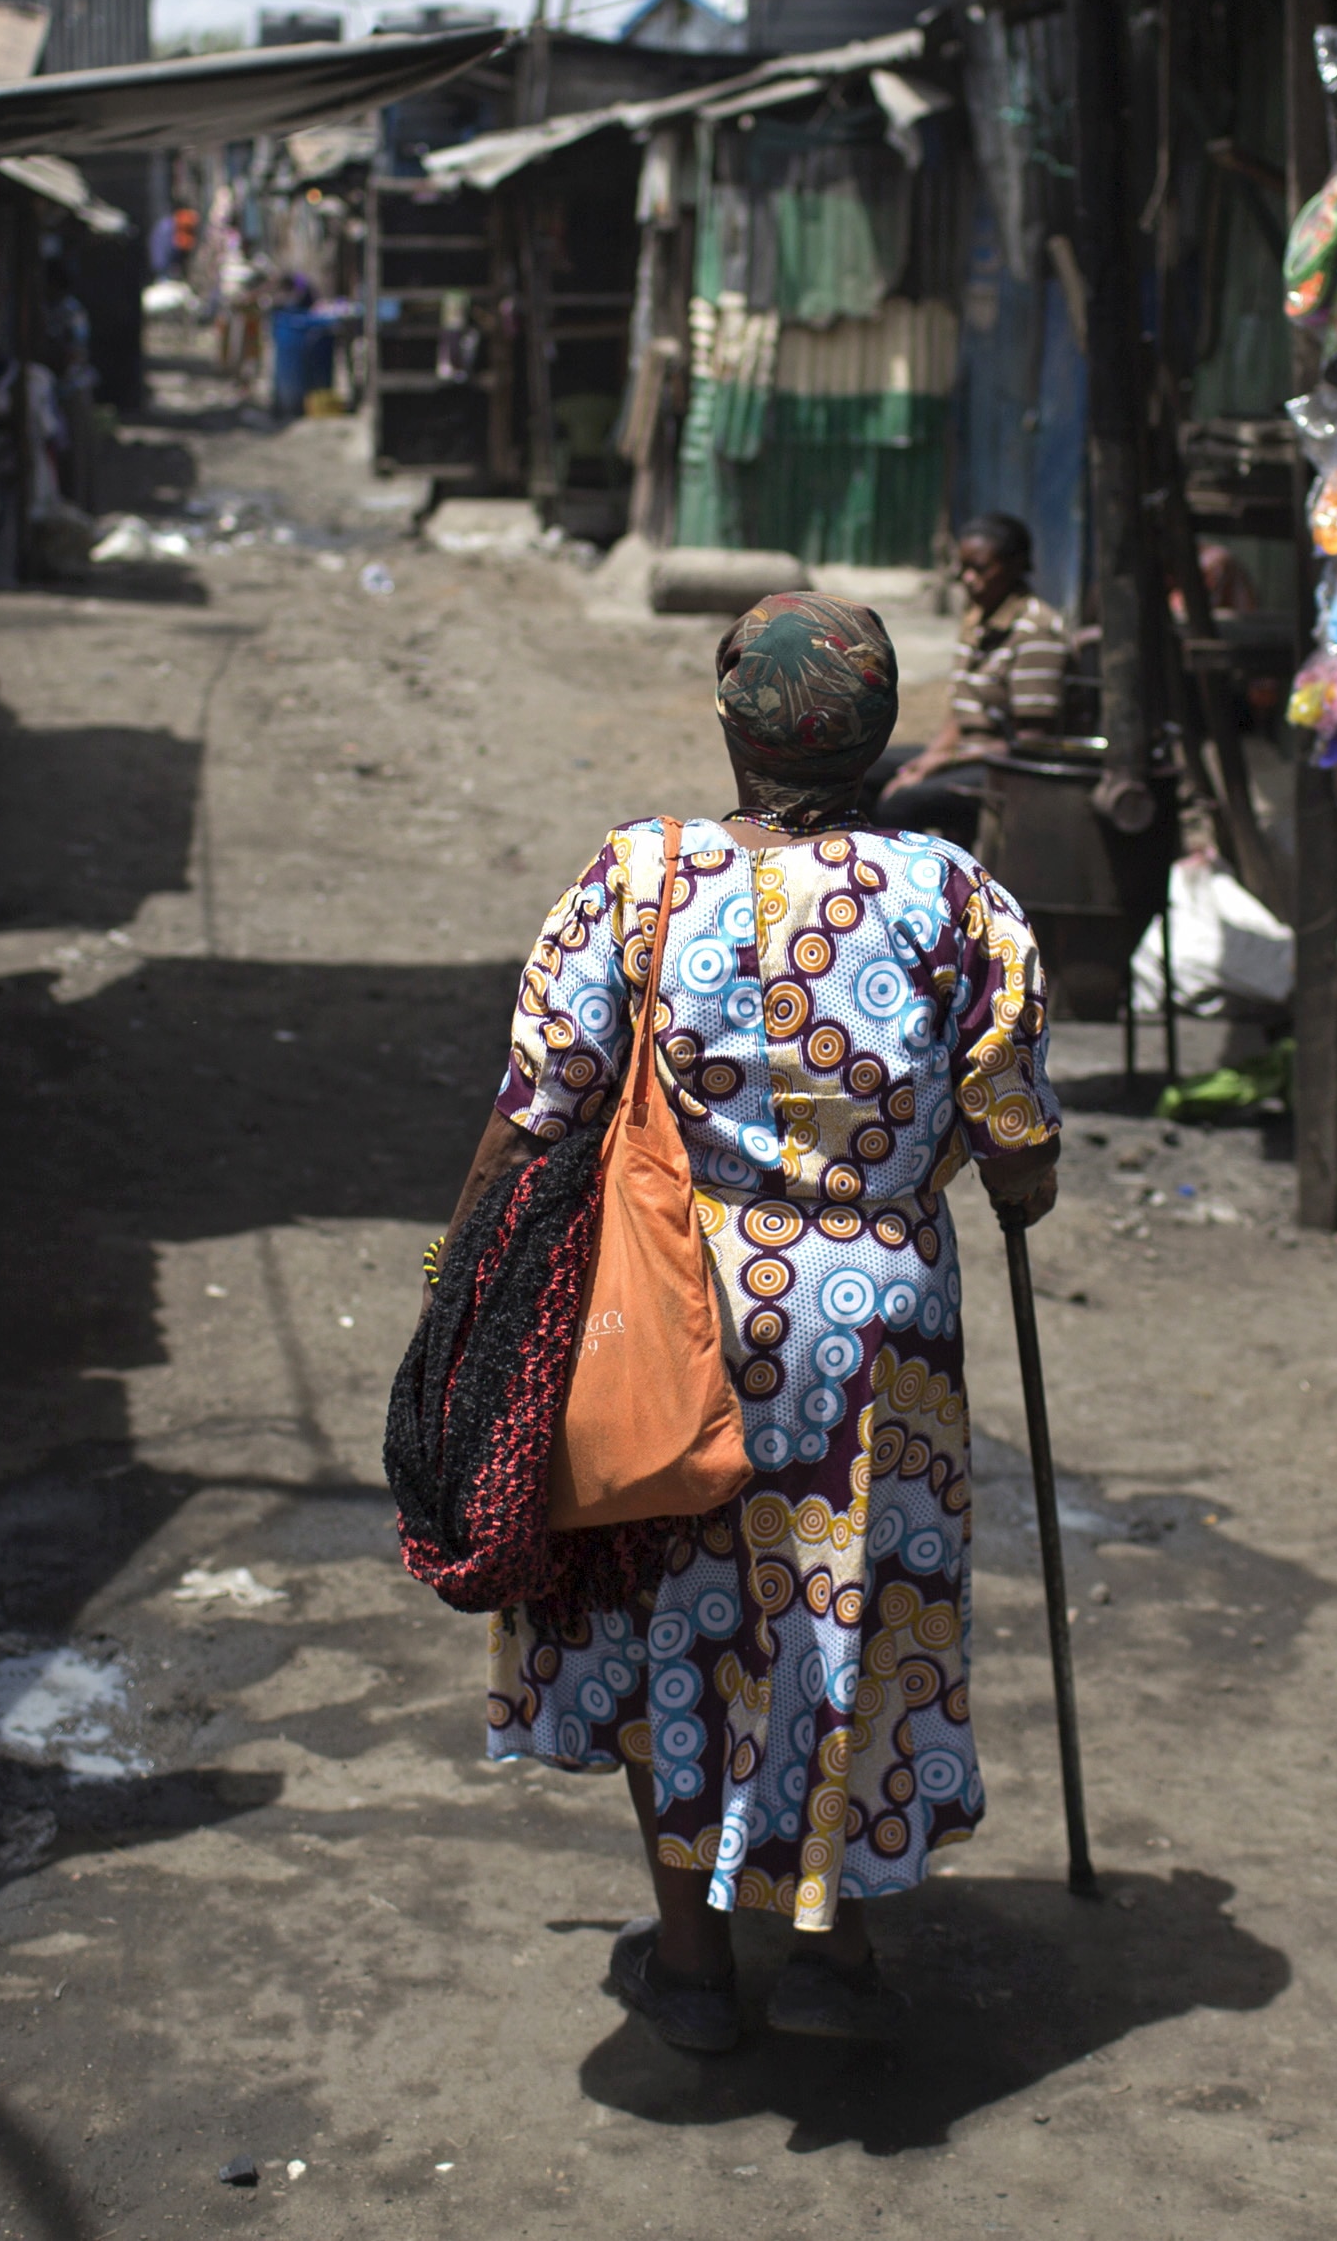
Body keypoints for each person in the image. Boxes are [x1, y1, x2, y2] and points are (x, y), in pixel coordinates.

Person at [442, 592, 1063, 2053]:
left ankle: (691, 1970)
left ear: (731, 722)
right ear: (880, 734)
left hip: (675, 1301)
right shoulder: (957, 896)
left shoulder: (638, 875)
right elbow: (1018, 1137)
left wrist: (452, 1282)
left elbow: (535, 1115)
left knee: (680, 1616)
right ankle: (834, 1943)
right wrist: (1014, 1185)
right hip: (878, 1326)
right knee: (845, 1616)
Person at [875, 513, 1068, 845]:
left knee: (901, 804)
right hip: (967, 751)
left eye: (980, 569)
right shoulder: (978, 618)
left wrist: (941, 763)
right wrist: (925, 762)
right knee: (865, 772)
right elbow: (960, 711)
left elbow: (1032, 740)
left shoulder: (1036, 632)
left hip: (1008, 767)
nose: (968, 579)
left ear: (1016, 566)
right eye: (962, 569)